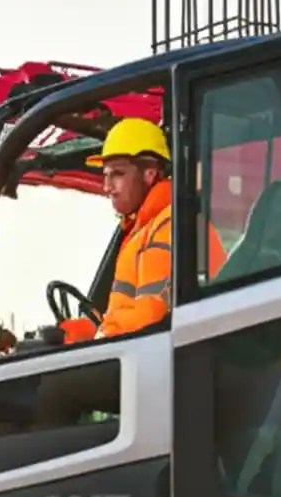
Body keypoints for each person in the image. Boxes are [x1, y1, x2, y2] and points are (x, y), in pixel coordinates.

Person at [31, 118, 227, 426]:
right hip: (149, 353)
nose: (107, 186)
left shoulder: (169, 226)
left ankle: (51, 473)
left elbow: (151, 315)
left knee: (57, 389)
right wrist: (76, 332)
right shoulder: (143, 228)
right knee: (41, 362)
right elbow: (122, 313)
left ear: (150, 173)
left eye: (118, 174)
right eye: (105, 175)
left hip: (171, 362)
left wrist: (97, 337)